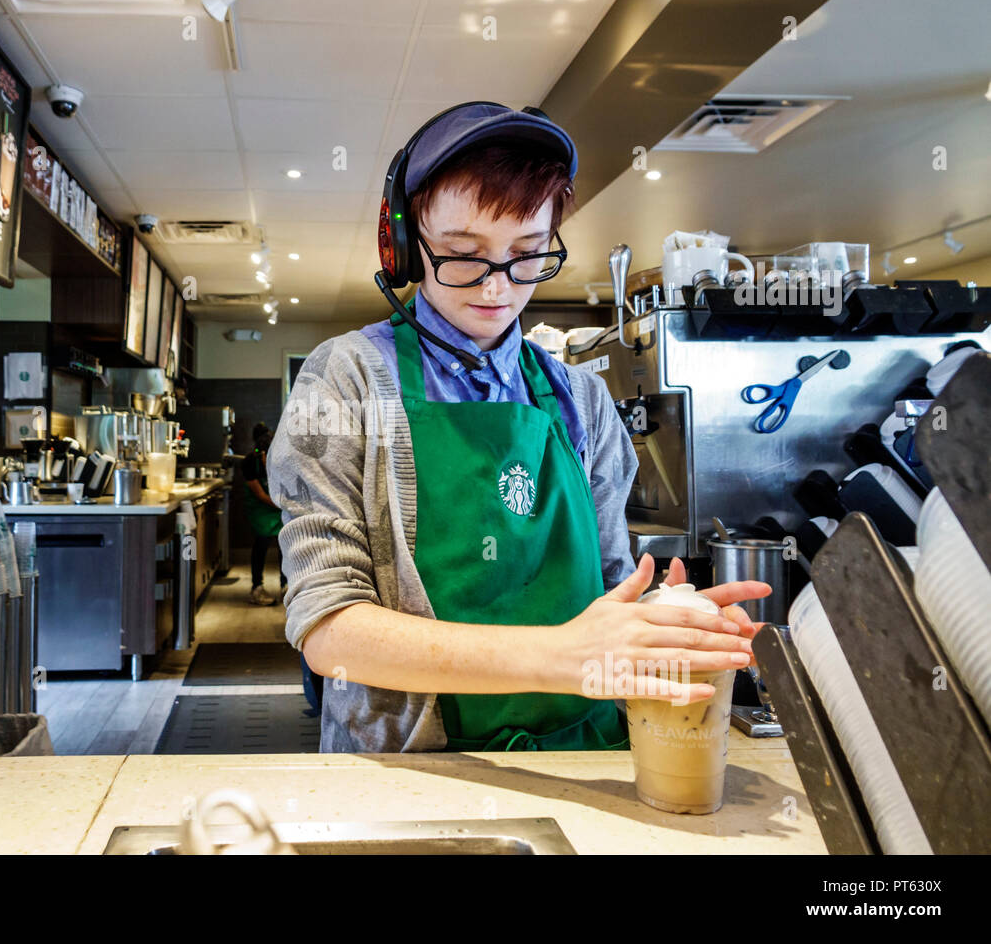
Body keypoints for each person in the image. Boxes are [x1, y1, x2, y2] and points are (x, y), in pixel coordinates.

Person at [266, 101, 770, 753]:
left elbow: (611, 590)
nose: (497, 287)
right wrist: (561, 655)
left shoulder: (582, 399)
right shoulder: (349, 379)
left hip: (589, 756)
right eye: (461, 254)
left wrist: (670, 623)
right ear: (402, 243)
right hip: (415, 772)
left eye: (527, 255)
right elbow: (330, 632)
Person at [242, 422, 287, 606]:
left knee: (285, 541)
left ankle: (287, 585)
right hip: (260, 507)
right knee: (262, 541)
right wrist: (281, 505)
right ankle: (256, 587)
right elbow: (260, 494)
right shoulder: (249, 462)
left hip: (278, 503)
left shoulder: (281, 458)